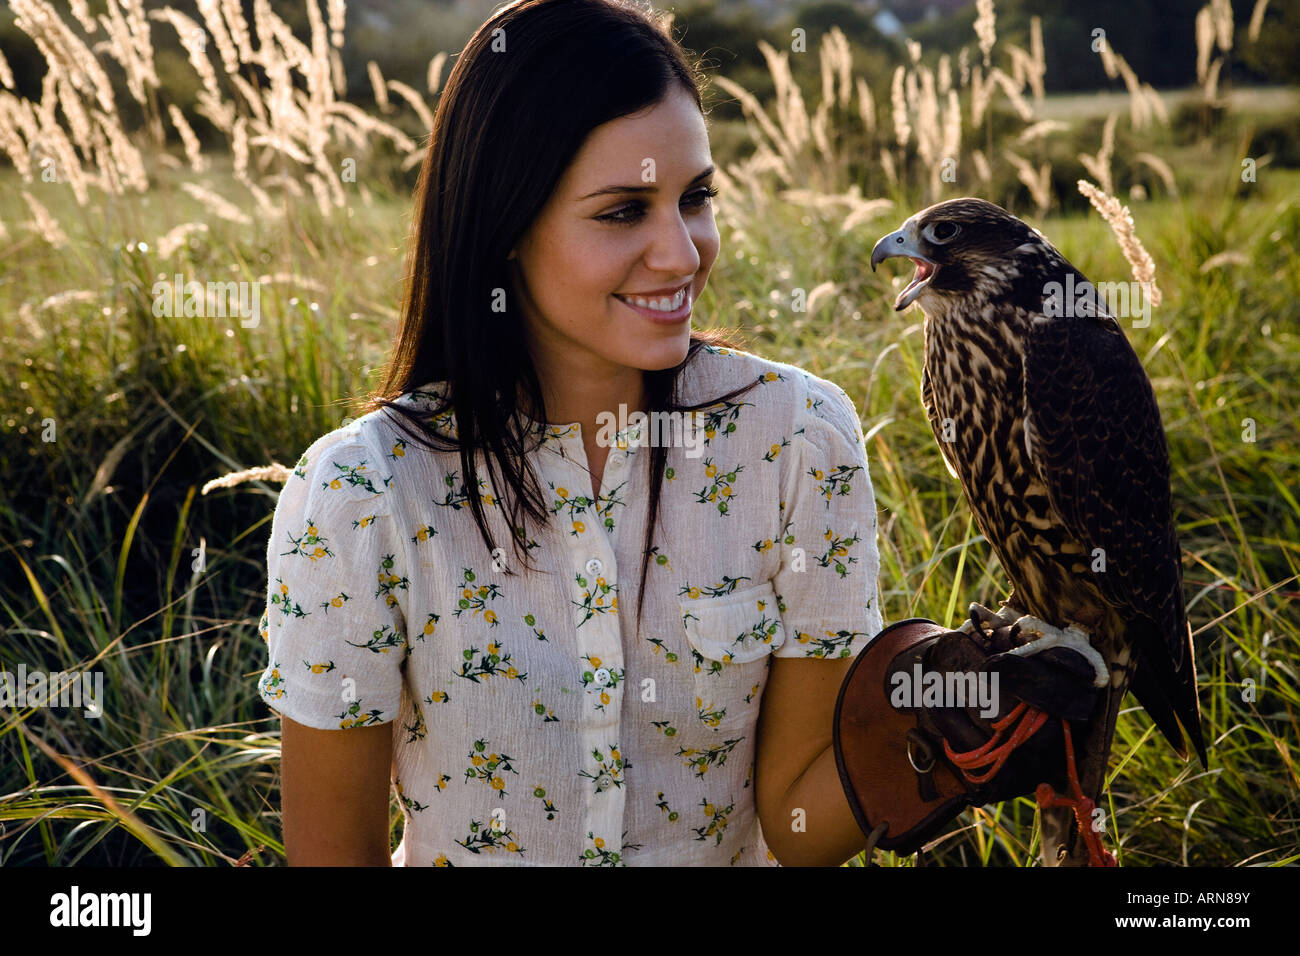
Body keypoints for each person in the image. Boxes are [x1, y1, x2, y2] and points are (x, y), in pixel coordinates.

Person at [256, 0, 884, 866]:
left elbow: (797, 829)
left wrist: (941, 741)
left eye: (695, 198)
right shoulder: (363, 494)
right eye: (624, 211)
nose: (681, 252)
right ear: (508, 226)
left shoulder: (800, 441)